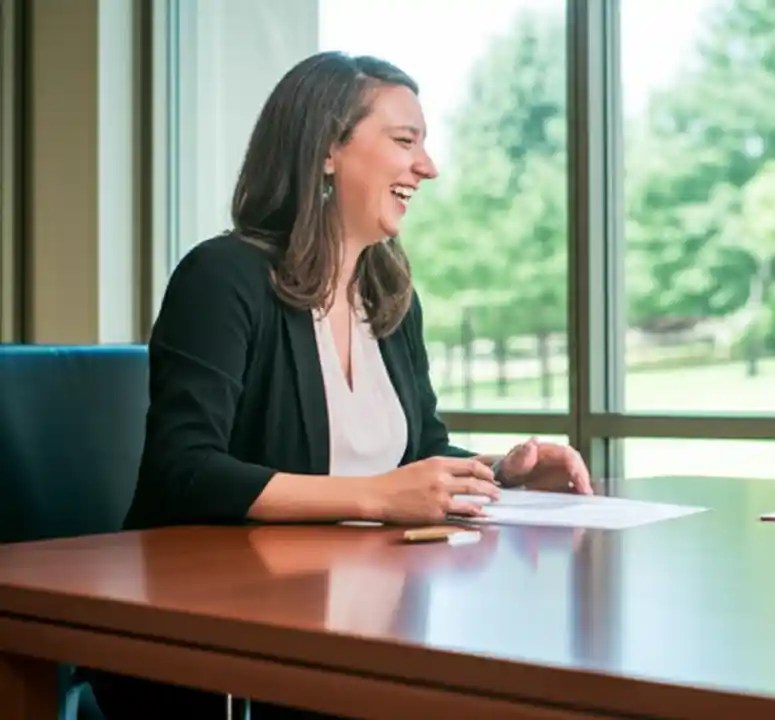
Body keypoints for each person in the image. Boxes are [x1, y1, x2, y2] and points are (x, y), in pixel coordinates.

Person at [89, 50, 591, 718]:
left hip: (358, 626)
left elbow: (420, 452)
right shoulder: (223, 276)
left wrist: (504, 470)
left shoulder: (390, 296)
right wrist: (378, 497)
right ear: (327, 149)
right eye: (405, 141)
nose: (428, 166)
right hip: (224, 641)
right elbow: (183, 470)